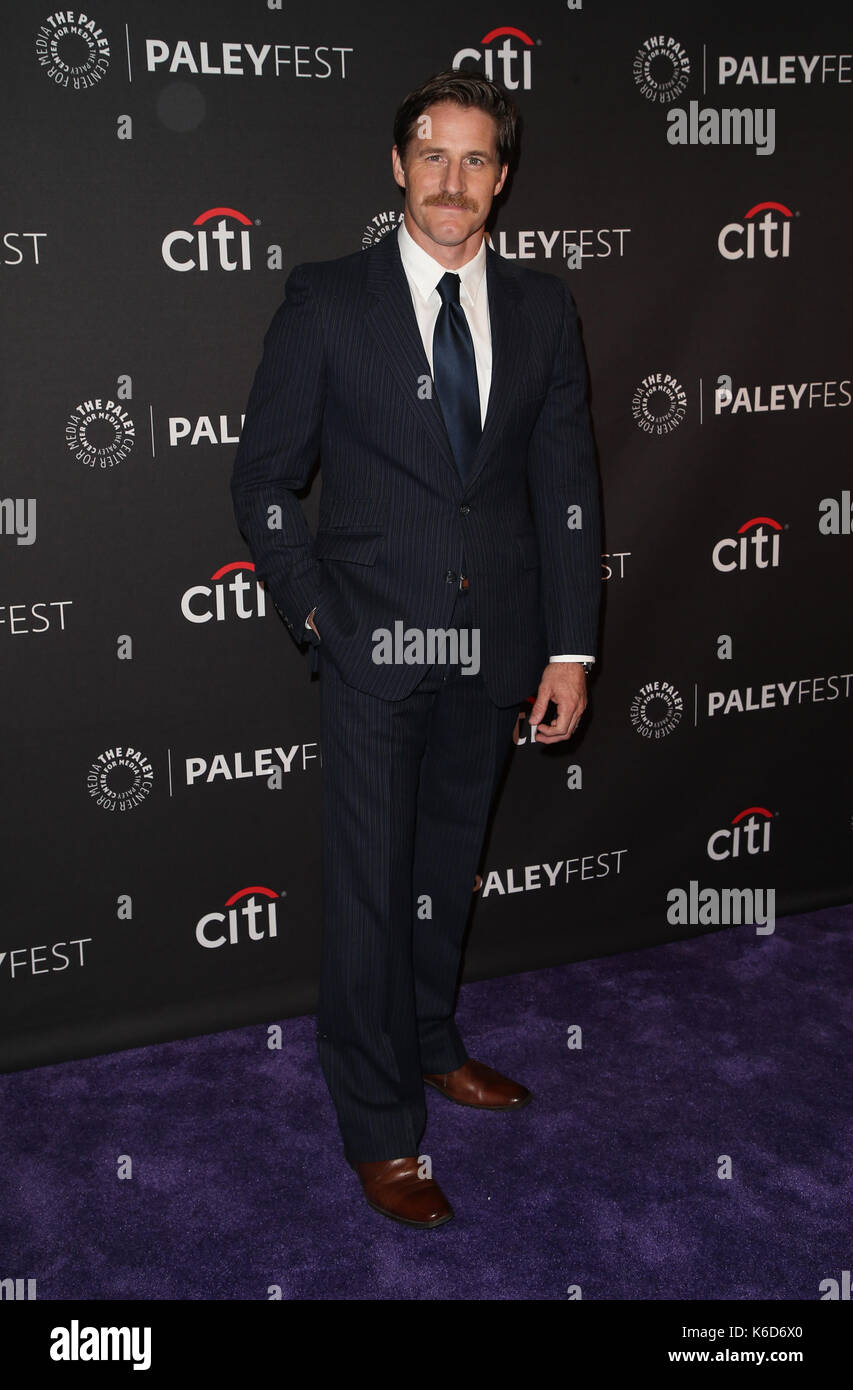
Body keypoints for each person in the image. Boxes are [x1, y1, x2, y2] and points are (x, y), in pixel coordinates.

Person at [230, 68, 602, 1229]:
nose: (454, 180)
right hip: (374, 650)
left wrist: (570, 650)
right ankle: (381, 1126)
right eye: (433, 155)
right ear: (399, 167)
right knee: (369, 894)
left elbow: (566, 485)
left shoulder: (542, 307)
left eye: (477, 158)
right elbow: (263, 478)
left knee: (447, 869)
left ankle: (435, 1038)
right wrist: (318, 611)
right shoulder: (328, 299)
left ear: (502, 175)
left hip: (493, 647)